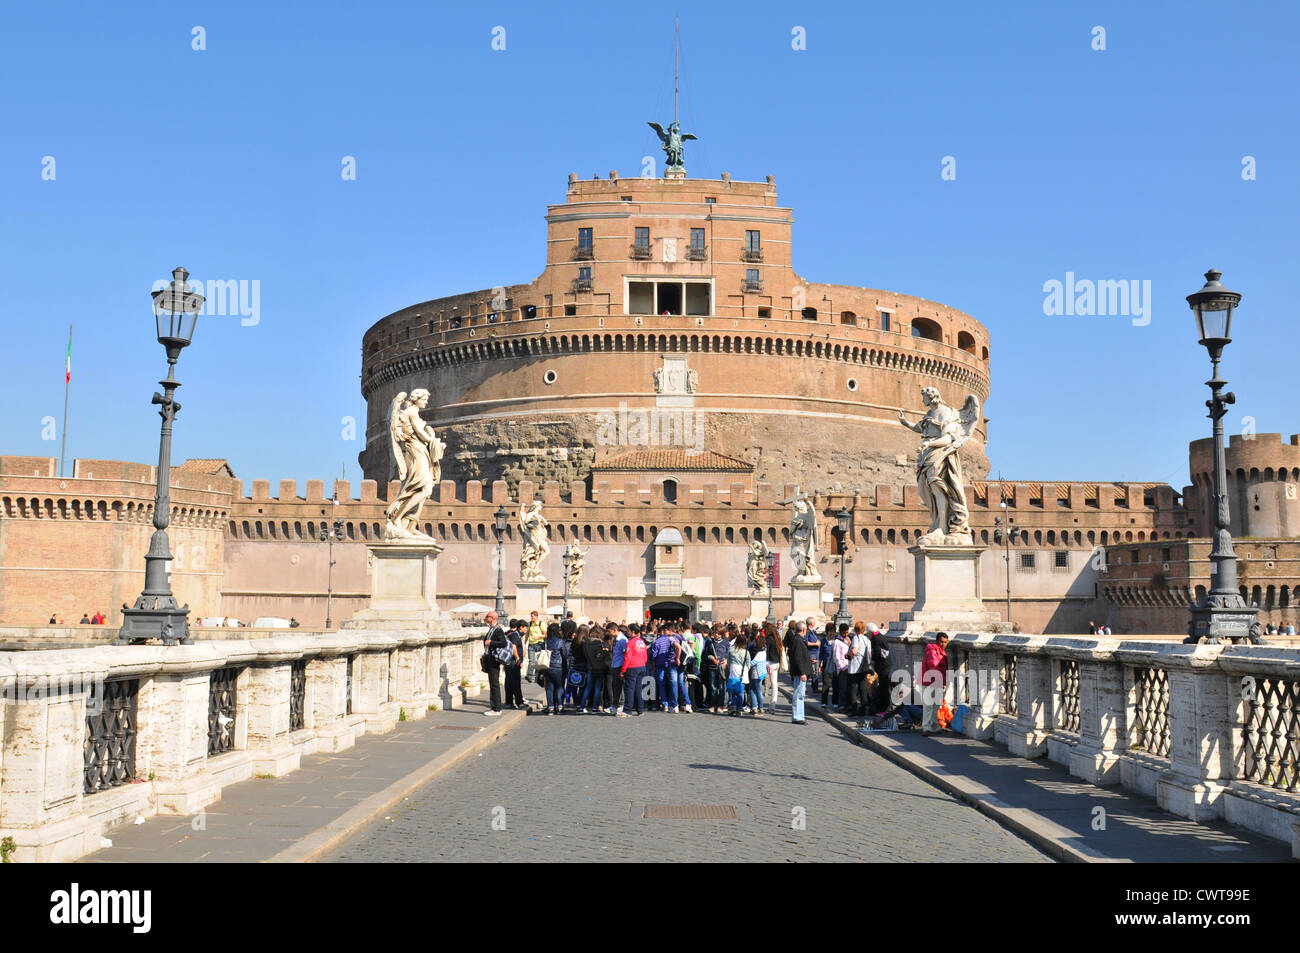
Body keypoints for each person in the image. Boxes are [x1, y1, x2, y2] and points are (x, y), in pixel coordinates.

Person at [481, 611, 511, 716]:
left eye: (487, 617)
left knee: (494, 684)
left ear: (492, 618)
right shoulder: (491, 629)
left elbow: (503, 643)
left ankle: (497, 708)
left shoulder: (498, 630)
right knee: (492, 684)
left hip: (494, 661)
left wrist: (491, 643)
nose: (485, 618)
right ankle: (494, 707)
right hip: (489, 660)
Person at [783, 621, 813, 724]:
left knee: (800, 694)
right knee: (799, 695)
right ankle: (797, 716)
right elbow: (798, 658)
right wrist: (802, 672)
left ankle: (799, 715)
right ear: (804, 630)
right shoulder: (798, 641)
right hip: (800, 672)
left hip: (800, 671)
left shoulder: (797, 640)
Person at [921, 632, 950, 735]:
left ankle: (934, 726)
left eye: (945, 642)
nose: (943, 644)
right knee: (928, 705)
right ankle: (926, 727)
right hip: (929, 682)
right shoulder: (932, 651)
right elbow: (933, 666)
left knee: (936, 705)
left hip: (937, 681)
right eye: (941, 642)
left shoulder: (942, 652)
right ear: (937, 641)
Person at [620, 625, 649, 716]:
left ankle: (627, 710)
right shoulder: (642, 642)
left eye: (628, 630)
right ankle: (640, 709)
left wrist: (623, 670)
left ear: (632, 631)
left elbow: (627, 657)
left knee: (629, 689)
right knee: (638, 688)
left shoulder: (630, 642)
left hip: (632, 667)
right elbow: (645, 657)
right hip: (642, 666)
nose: (627, 632)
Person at [581, 624, 610, 713]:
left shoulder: (585, 642)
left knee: (588, 687)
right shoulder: (598, 642)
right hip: (598, 667)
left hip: (590, 666)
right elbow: (599, 656)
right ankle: (594, 707)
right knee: (597, 688)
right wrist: (605, 652)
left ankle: (582, 707)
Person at [846, 621, 872, 716]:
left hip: (855, 667)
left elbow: (854, 651)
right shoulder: (867, 640)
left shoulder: (856, 638)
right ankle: (863, 709)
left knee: (852, 688)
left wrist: (848, 655)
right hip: (864, 667)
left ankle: (854, 709)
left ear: (856, 629)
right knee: (863, 688)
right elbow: (869, 654)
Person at [543, 622, 569, 715]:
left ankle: (550, 708)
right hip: (558, 667)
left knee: (549, 688)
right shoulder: (560, 641)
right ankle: (560, 706)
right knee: (560, 687)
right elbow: (565, 655)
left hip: (547, 666)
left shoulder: (546, 641)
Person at [504, 618, 527, 710]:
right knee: (515, 683)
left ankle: (509, 702)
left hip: (511, 662)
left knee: (509, 682)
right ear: (521, 627)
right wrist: (518, 658)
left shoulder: (515, 635)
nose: (526, 630)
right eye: (525, 628)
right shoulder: (515, 635)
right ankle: (519, 702)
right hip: (513, 662)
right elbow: (513, 646)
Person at [727, 634, 751, 714]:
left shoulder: (731, 649)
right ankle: (739, 708)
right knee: (741, 691)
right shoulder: (746, 652)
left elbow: (728, 661)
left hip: (733, 670)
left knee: (733, 691)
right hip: (742, 672)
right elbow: (748, 664)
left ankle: (733, 705)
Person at [608, 623, 628, 714]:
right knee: (615, 686)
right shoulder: (615, 639)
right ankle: (614, 705)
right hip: (615, 665)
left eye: (609, 631)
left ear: (614, 630)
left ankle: (620, 705)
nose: (609, 633)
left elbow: (626, 654)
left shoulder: (623, 640)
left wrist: (623, 668)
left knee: (620, 686)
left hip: (620, 665)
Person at [764, 622, 782, 709]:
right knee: (774, 685)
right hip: (776, 663)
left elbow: (766, 652)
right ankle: (773, 705)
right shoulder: (777, 639)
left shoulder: (768, 639)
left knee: (764, 683)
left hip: (769, 663)